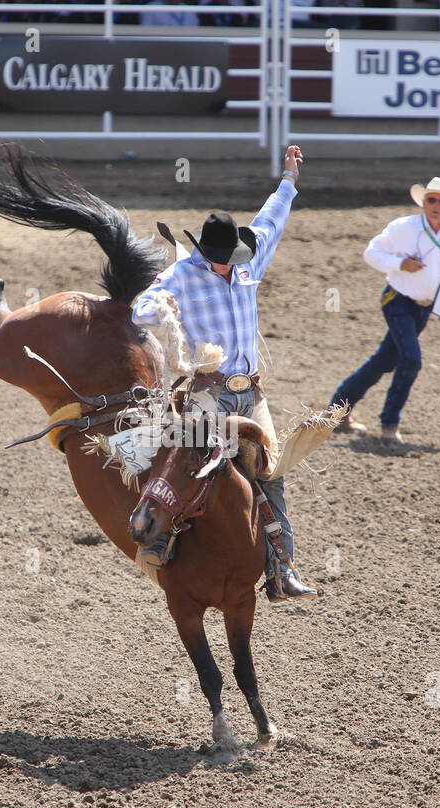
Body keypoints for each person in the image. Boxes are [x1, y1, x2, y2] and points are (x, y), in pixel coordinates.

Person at [131, 145, 315, 602]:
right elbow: (141, 307)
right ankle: (160, 543)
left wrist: (288, 180)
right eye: (223, 258)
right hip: (208, 393)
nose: (230, 264)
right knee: (191, 468)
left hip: (250, 394)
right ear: (203, 252)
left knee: (271, 475)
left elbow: (271, 222)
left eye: (234, 257)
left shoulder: (247, 261)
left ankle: (281, 568)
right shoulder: (181, 274)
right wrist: (163, 308)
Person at [330, 177, 440, 441]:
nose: (436, 205)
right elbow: (372, 253)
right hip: (397, 300)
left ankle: (335, 412)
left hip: (425, 307)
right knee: (411, 360)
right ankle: (390, 424)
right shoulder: (404, 228)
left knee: (383, 361)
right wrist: (400, 264)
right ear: (424, 202)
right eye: (431, 200)